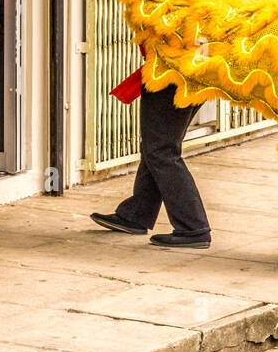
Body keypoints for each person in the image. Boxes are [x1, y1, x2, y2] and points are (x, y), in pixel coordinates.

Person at [90, 81, 213, 248]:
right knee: (155, 147)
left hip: (172, 74)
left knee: (161, 150)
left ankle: (194, 228)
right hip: (187, 74)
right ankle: (136, 214)